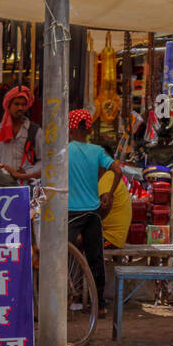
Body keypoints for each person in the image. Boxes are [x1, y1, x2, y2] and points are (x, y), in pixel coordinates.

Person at [67, 109, 124, 314]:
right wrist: (109, 193)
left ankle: (64, 296)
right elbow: (118, 170)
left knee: (63, 255)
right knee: (95, 259)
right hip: (92, 213)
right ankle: (99, 305)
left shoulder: (65, 151)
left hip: (71, 212)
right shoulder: (97, 151)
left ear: (71, 128)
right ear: (89, 128)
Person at [0, 85, 42, 185]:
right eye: (16, 104)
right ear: (8, 105)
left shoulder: (35, 131)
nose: (20, 108)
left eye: (23, 104)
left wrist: (27, 173)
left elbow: (43, 161)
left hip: (27, 186)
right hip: (3, 186)